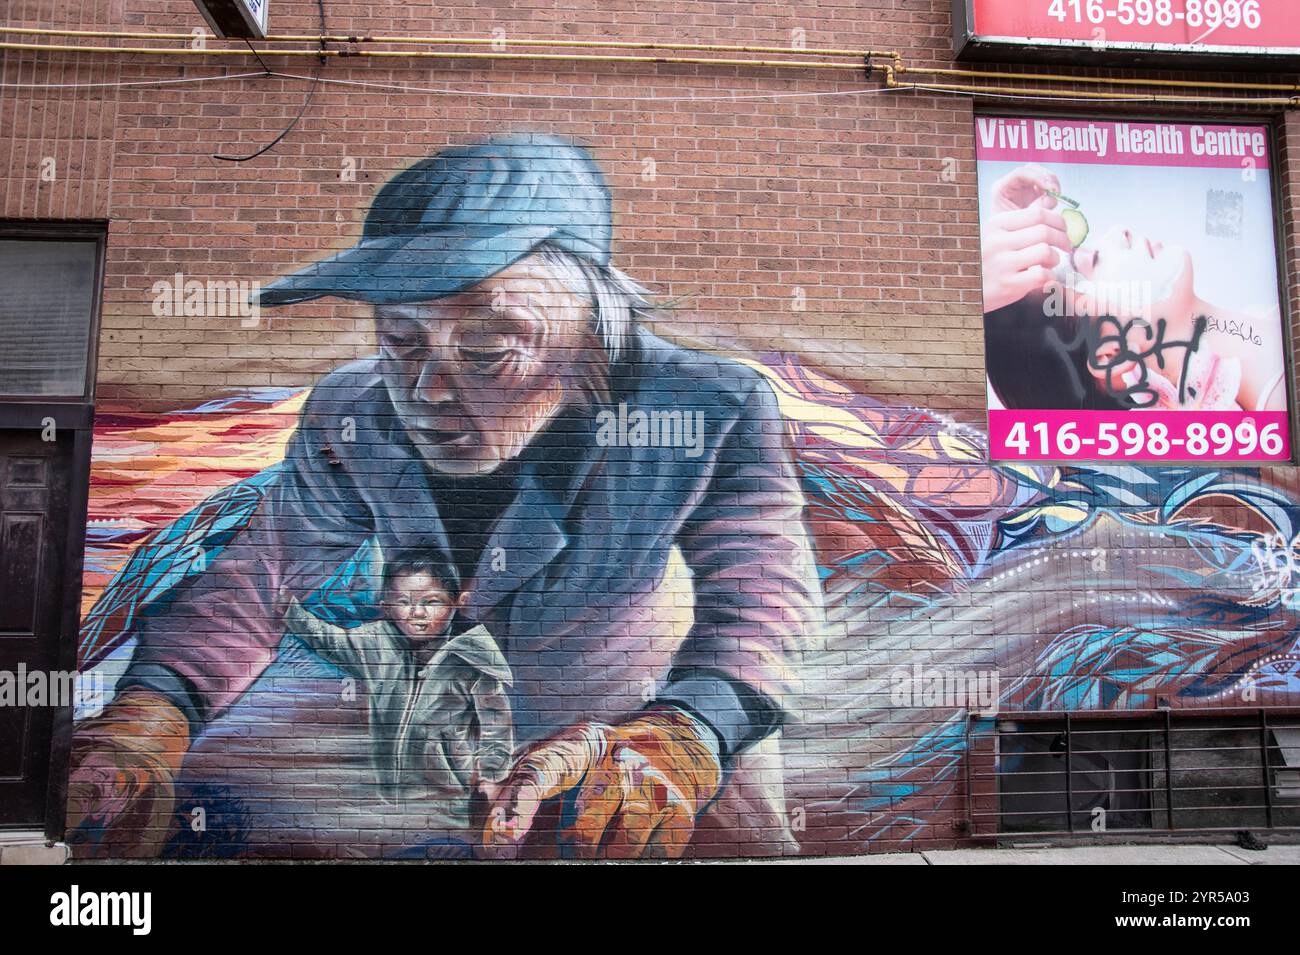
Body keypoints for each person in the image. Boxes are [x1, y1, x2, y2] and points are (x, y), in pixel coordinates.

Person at [67, 135, 824, 859]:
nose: (424, 393)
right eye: (400, 342)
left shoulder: (708, 405)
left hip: (654, 793)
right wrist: (149, 718)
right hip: (482, 797)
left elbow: (766, 600)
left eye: (486, 351)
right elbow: (261, 577)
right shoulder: (352, 412)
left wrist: (685, 736)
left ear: (594, 329)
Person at [982, 164, 1287, 413]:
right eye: (1089, 265)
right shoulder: (1282, 401)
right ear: (1112, 355)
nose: (1119, 232)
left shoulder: (1273, 323)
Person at [279, 551, 516, 833]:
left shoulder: (471, 659)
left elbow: (496, 724)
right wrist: (289, 611)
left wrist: (491, 776)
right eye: (404, 602)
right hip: (388, 796)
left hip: (448, 800)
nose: (417, 613)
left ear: (456, 602)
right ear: (387, 605)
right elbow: (329, 640)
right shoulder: (377, 644)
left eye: (432, 602)